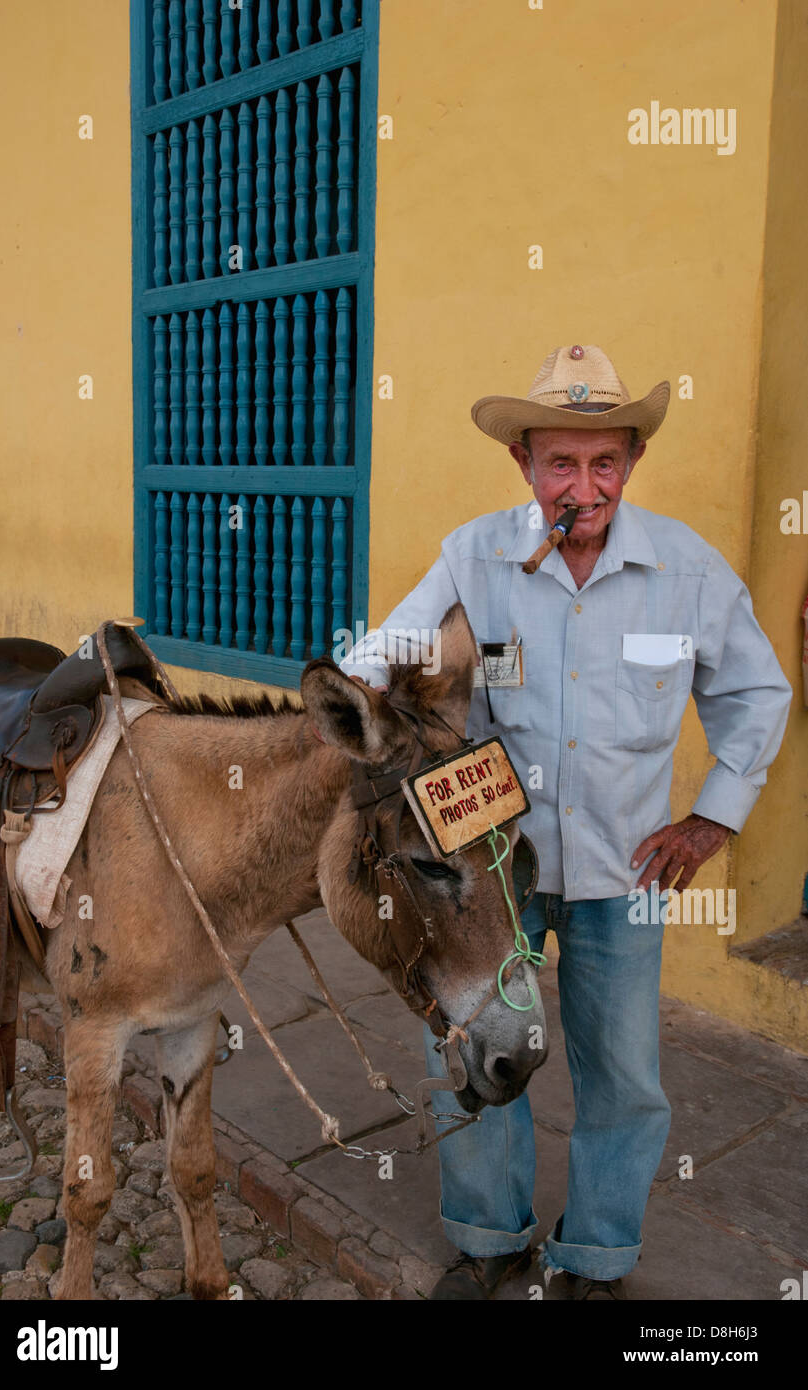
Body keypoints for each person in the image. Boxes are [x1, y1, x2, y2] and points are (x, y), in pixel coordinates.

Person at [339, 344, 791, 1301]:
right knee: (466, 1052)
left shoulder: (688, 571)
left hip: (624, 870)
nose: (579, 486)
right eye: (558, 463)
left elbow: (755, 693)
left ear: (628, 465)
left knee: (621, 1074)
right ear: (524, 466)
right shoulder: (476, 555)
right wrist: (354, 694)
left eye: (602, 463)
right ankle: (487, 1238)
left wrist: (711, 821)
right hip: (490, 875)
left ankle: (593, 1255)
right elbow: (398, 640)